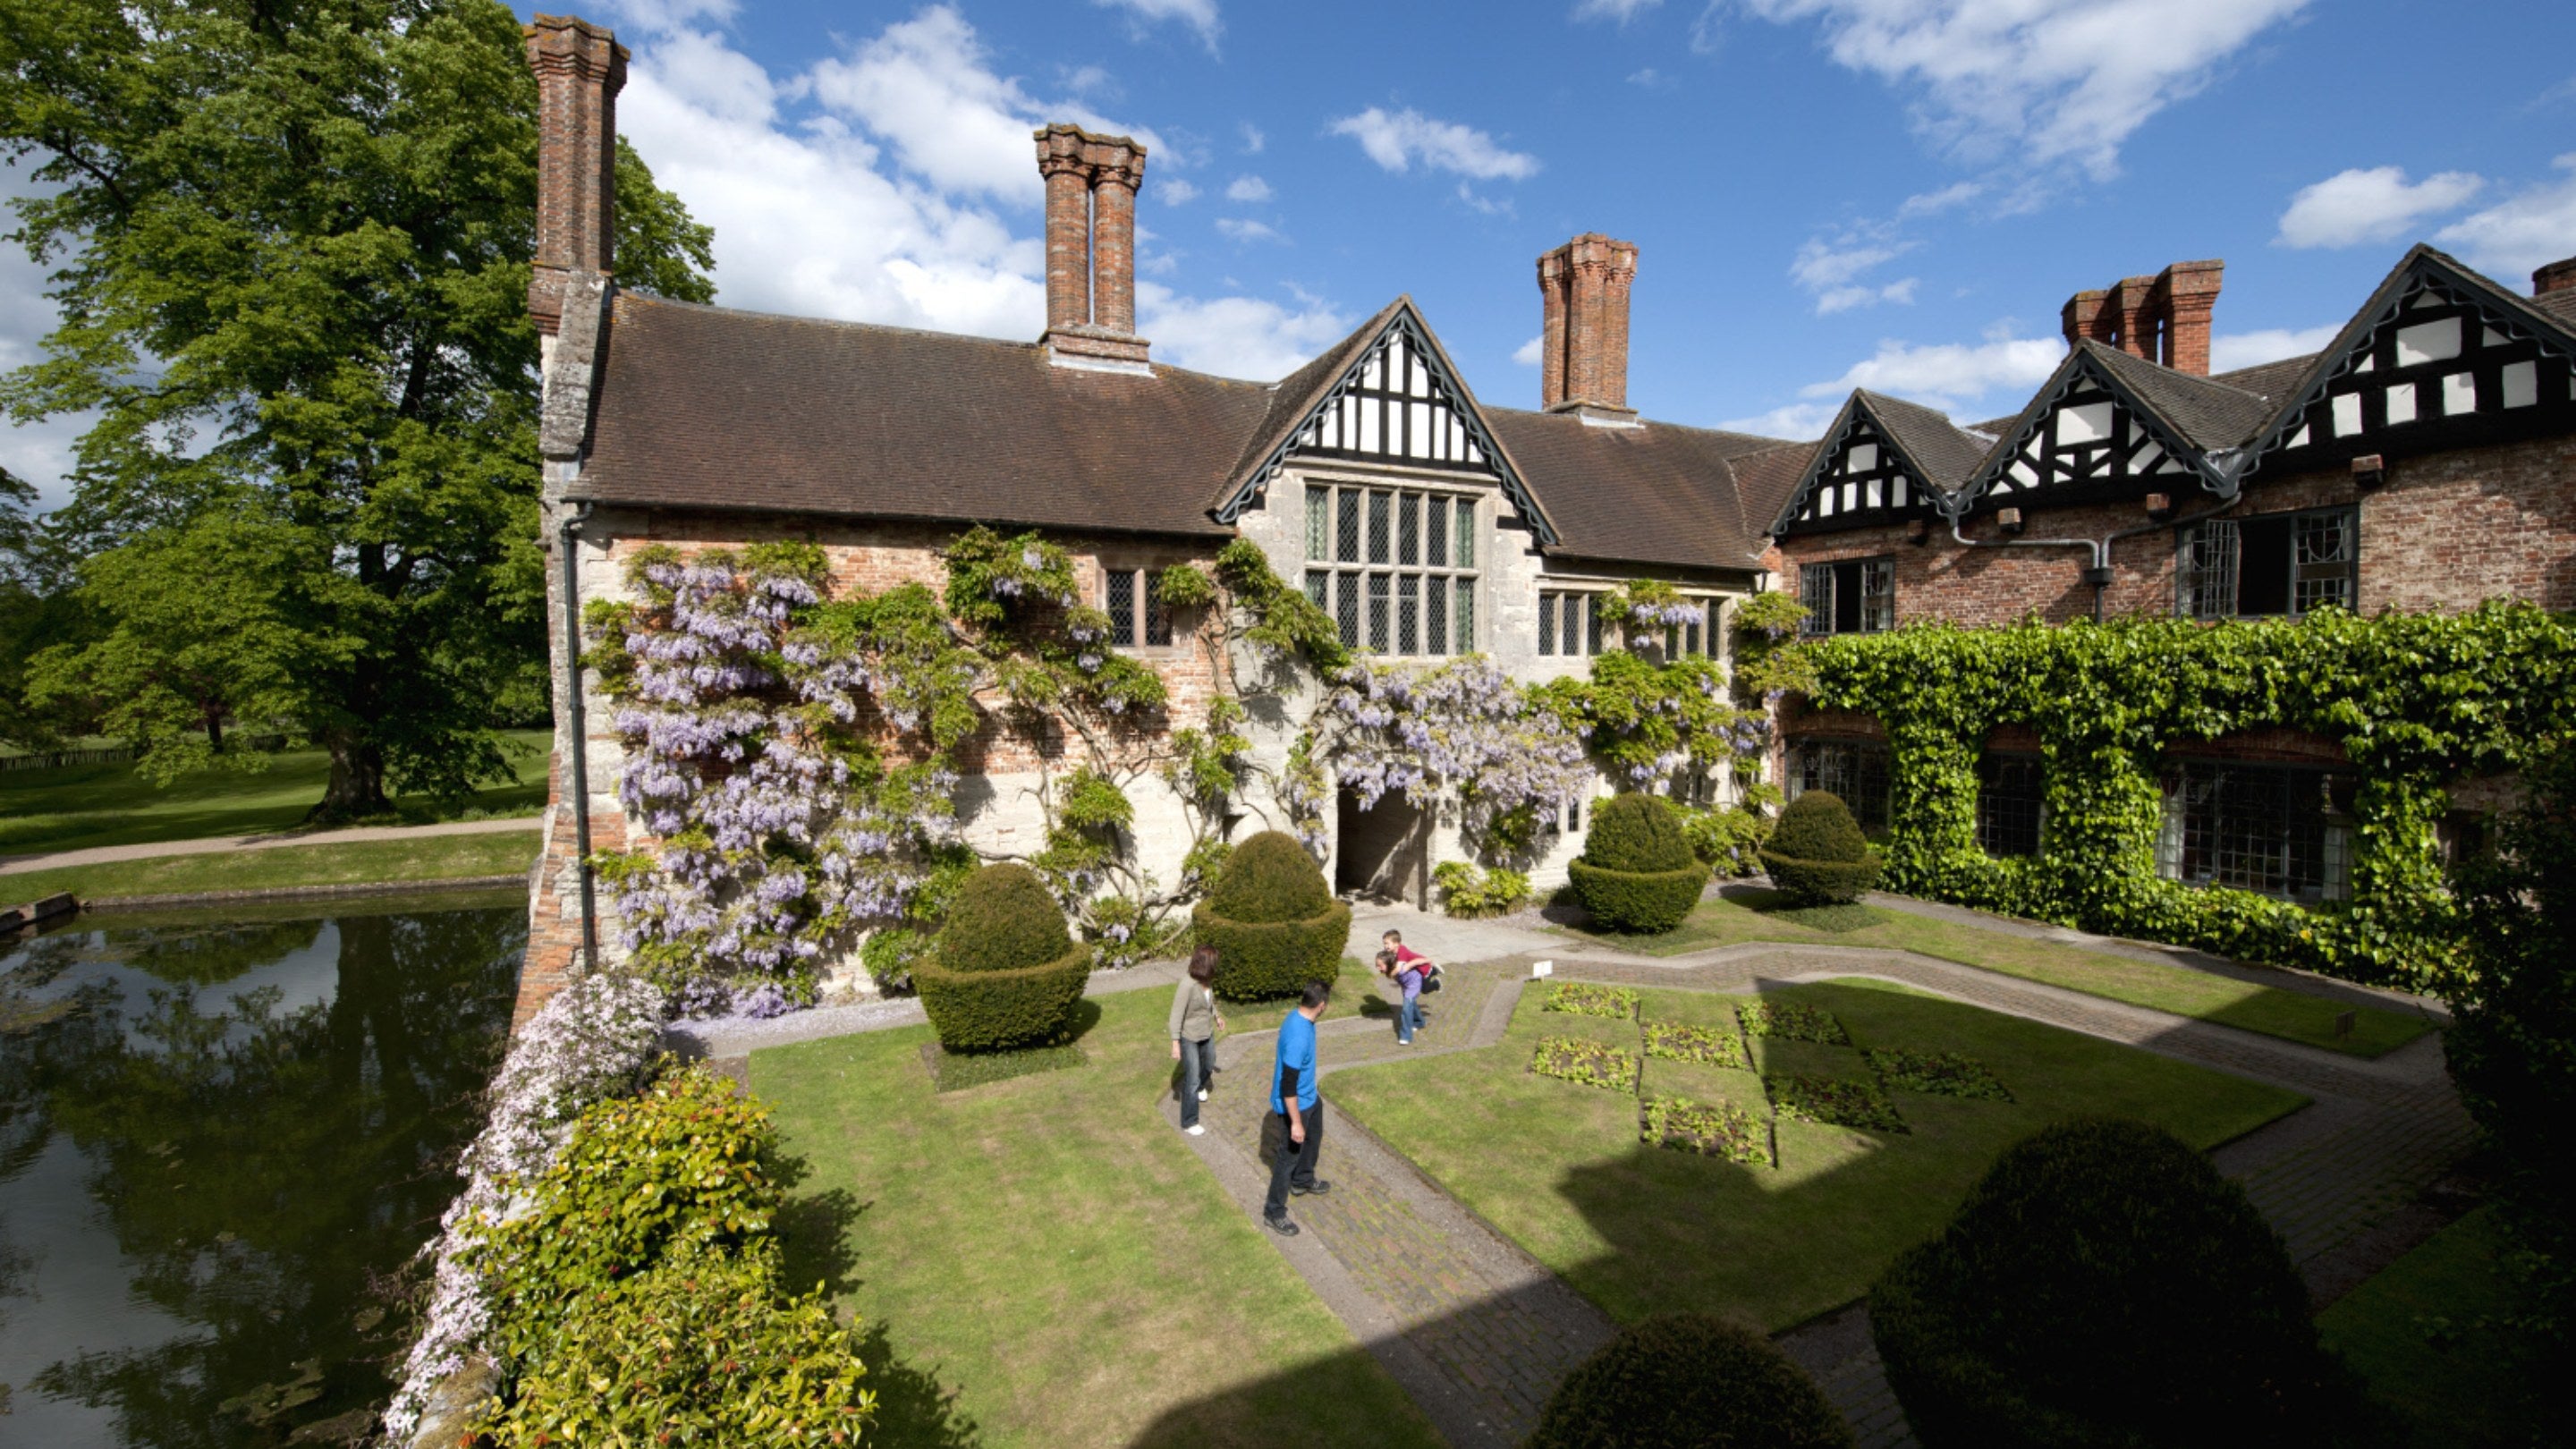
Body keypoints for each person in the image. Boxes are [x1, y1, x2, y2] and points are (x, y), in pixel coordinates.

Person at [1263, 979, 1333, 1235]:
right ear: (1322, 1005)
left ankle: (1303, 1180)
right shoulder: (1298, 1037)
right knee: (1286, 1158)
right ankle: (1274, 1211)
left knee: (1314, 1138)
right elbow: (1287, 1085)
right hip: (1295, 1104)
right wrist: (1295, 1122)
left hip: (1310, 1097)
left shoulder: (1300, 1017)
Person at [1169, 945, 1224, 1135]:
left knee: (1209, 1063)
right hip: (1189, 1037)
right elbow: (1176, 1015)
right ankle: (1189, 1122)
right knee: (1191, 1079)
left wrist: (1217, 1017)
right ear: (1205, 964)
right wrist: (1176, 1043)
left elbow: (1209, 1003)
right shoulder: (1187, 985)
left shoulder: (1207, 982)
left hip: (1206, 1032)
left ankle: (1201, 1086)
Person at [1378, 928, 1437, 1046]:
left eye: (1387, 943)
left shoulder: (1402, 953)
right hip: (1406, 983)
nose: (1385, 946)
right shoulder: (1392, 954)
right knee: (1411, 1003)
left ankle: (1406, 1036)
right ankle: (1420, 1022)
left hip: (1416, 980)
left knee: (1406, 1008)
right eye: (1384, 943)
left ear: (1396, 943)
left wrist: (1427, 960)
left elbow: (1410, 964)